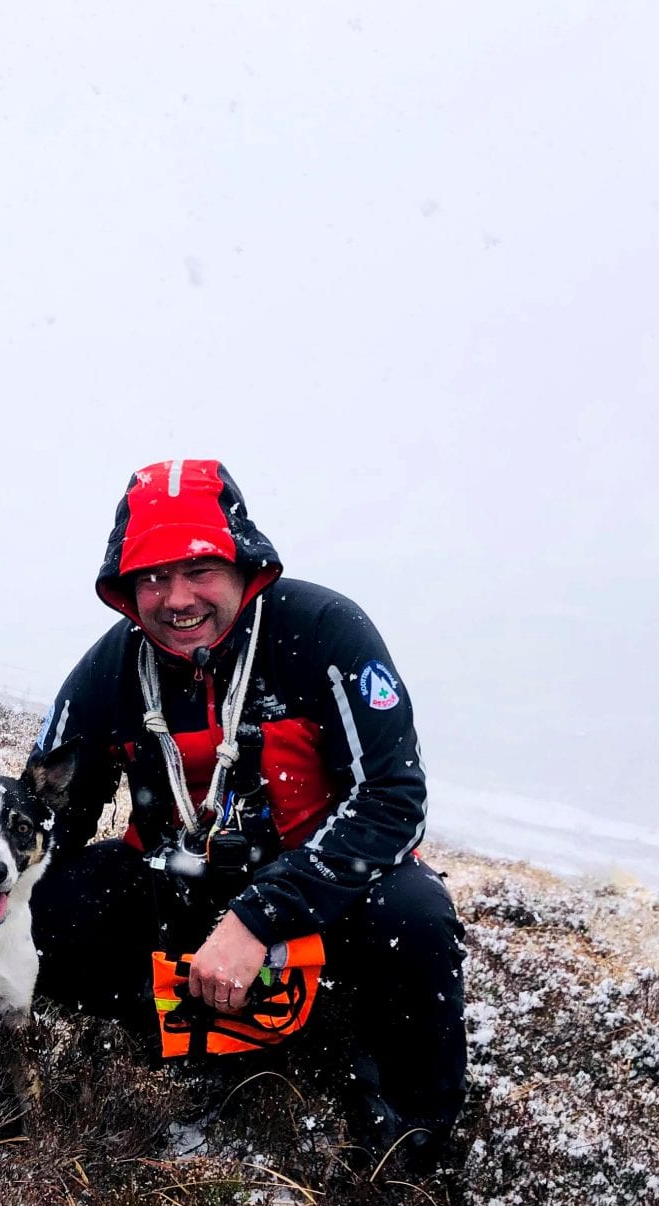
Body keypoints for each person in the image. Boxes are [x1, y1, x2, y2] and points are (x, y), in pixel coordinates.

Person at [26, 458, 467, 1163]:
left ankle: (414, 1148)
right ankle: (152, 1050)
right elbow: (52, 809)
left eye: (198, 569)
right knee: (39, 903)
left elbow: (392, 798)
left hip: (324, 895)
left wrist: (260, 918)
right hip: (173, 888)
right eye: (152, 577)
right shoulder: (111, 668)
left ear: (242, 563)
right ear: (126, 588)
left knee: (411, 917)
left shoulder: (325, 632)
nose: (177, 599)